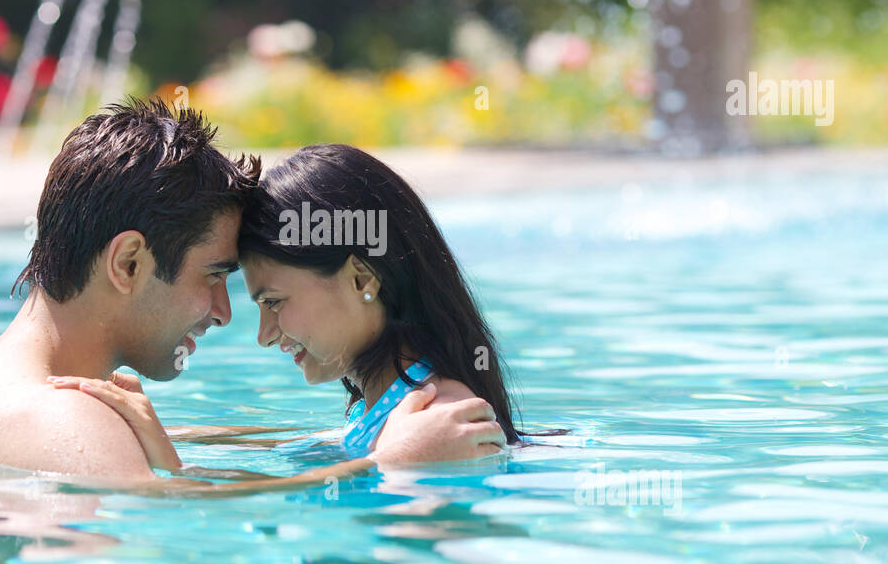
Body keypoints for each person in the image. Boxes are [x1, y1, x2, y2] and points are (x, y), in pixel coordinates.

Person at [0, 98, 502, 494]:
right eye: (214, 276)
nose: (227, 315)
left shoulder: (14, 397)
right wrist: (384, 466)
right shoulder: (64, 423)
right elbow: (179, 529)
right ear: (128, 263)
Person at [50, 142, 530, 466]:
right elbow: (331, 451)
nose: (264, 334)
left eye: (274, 301)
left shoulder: (444, 423)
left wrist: (390, 466)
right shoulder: (396, 408)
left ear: (363, 277)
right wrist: (161, 434)